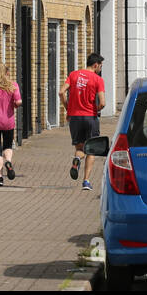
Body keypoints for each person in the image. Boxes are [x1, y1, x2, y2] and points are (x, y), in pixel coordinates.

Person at [62, 52, 105, 191]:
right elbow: (103, 103)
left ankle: (77, 160)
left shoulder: (73, 74)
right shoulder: (98, 79)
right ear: (95, 65)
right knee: (91, 149)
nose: (100, 69)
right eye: (100, 66)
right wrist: (96, 109)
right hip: (90, 117)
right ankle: (86, 181)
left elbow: (61, 92)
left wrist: (68, 108)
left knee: (80, 148)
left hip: (74, 117)